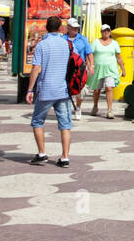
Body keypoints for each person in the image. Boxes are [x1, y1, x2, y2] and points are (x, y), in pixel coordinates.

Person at [25, 15, 75, 167]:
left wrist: (29, 89)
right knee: (65, 124)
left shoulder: (42, 45)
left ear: (46, 27)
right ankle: (65, 157)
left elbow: (36, 68)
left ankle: (42, 153)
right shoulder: (66, 44)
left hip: (46, 89)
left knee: (37, 121)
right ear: (61, 28)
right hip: (63, 90)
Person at [88, 25, 122, 119]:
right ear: (101, 32)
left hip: (110, 69)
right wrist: (91, 66)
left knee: (109, 88)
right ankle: (95, 106)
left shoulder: (114, 43)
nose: (106, 32)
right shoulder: (95, 42)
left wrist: (123, 69)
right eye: (104, 31)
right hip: (98, 69)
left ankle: (109, 110)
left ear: (110, 32)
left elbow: (118, 57)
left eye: (108, 31)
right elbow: (90, 55)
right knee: (96, 90)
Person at [64, 17, 94, 120]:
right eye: (73, 28)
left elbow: (89, 53)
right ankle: (67, 109)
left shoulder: (82, 39)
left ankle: (78, 107)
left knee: (81, 90)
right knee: (66, 89)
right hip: (67, 68)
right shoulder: (63, 39)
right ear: (68, 28)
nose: (76, 29)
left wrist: (91, 66)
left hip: (80, 68)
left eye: (77, 28)